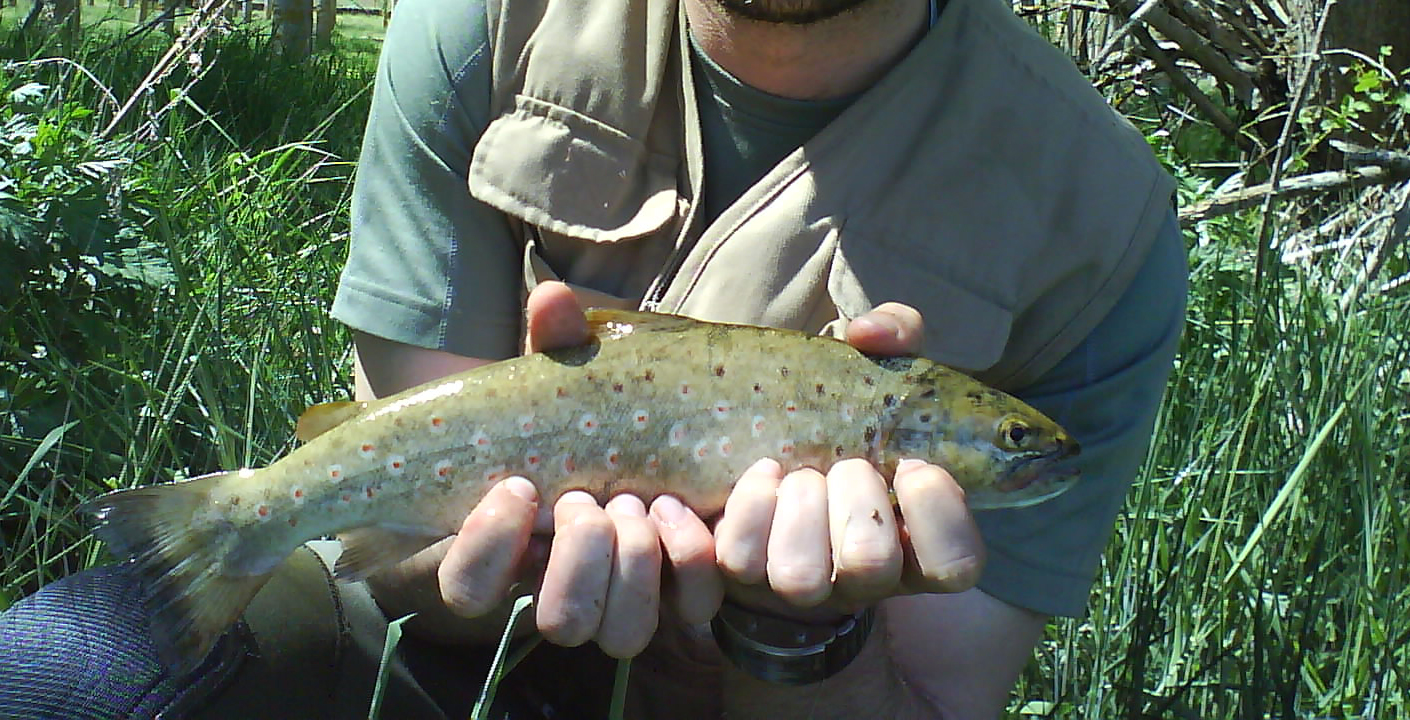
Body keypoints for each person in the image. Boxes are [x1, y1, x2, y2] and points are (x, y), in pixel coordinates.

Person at [0, 0, 1185, 717]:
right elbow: (387, 563)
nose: (1025, 455)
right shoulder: (482, 21)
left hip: (767, 713)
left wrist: (798, 630)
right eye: (1015, 444)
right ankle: (213, 531)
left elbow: (934, 705)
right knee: (58, 677)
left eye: (1015, 442)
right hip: (442, 657)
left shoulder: (1105, 221)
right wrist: (490, 567)